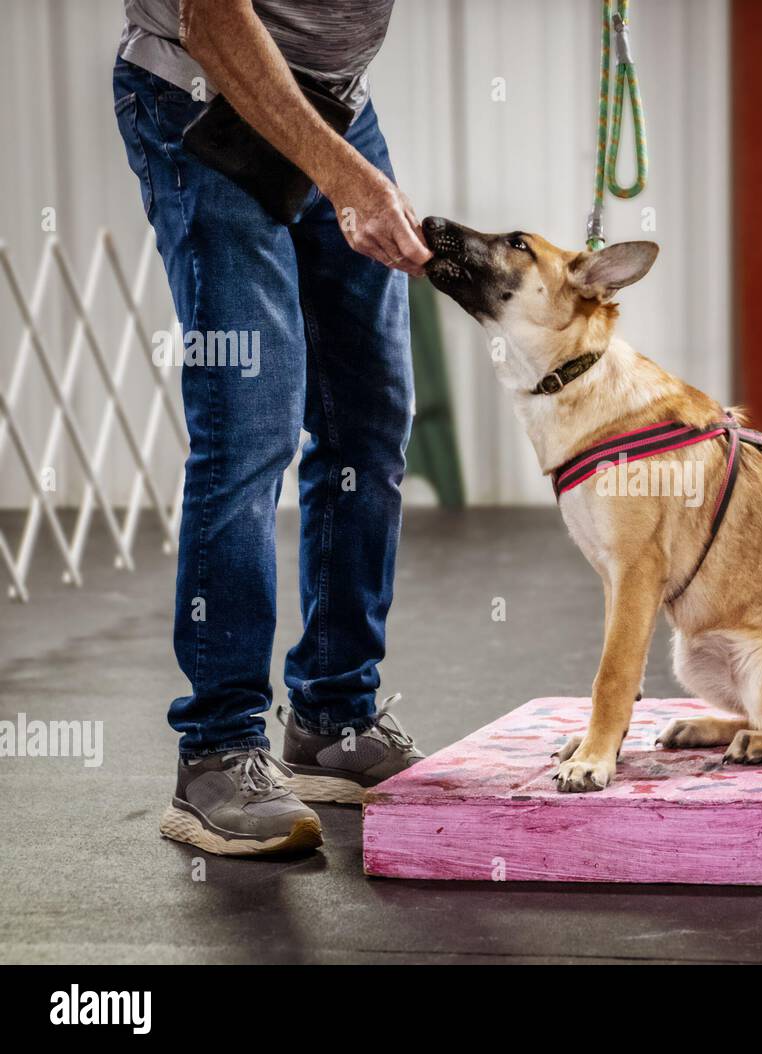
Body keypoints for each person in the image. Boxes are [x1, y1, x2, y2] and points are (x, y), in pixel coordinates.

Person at [114, 0, 430, 856]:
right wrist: (346, 180)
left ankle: (333, 716)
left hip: (335, 102)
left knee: (369, 421)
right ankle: (218, 750)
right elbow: (213, 20)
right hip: (199, 91)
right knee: (251, 425)